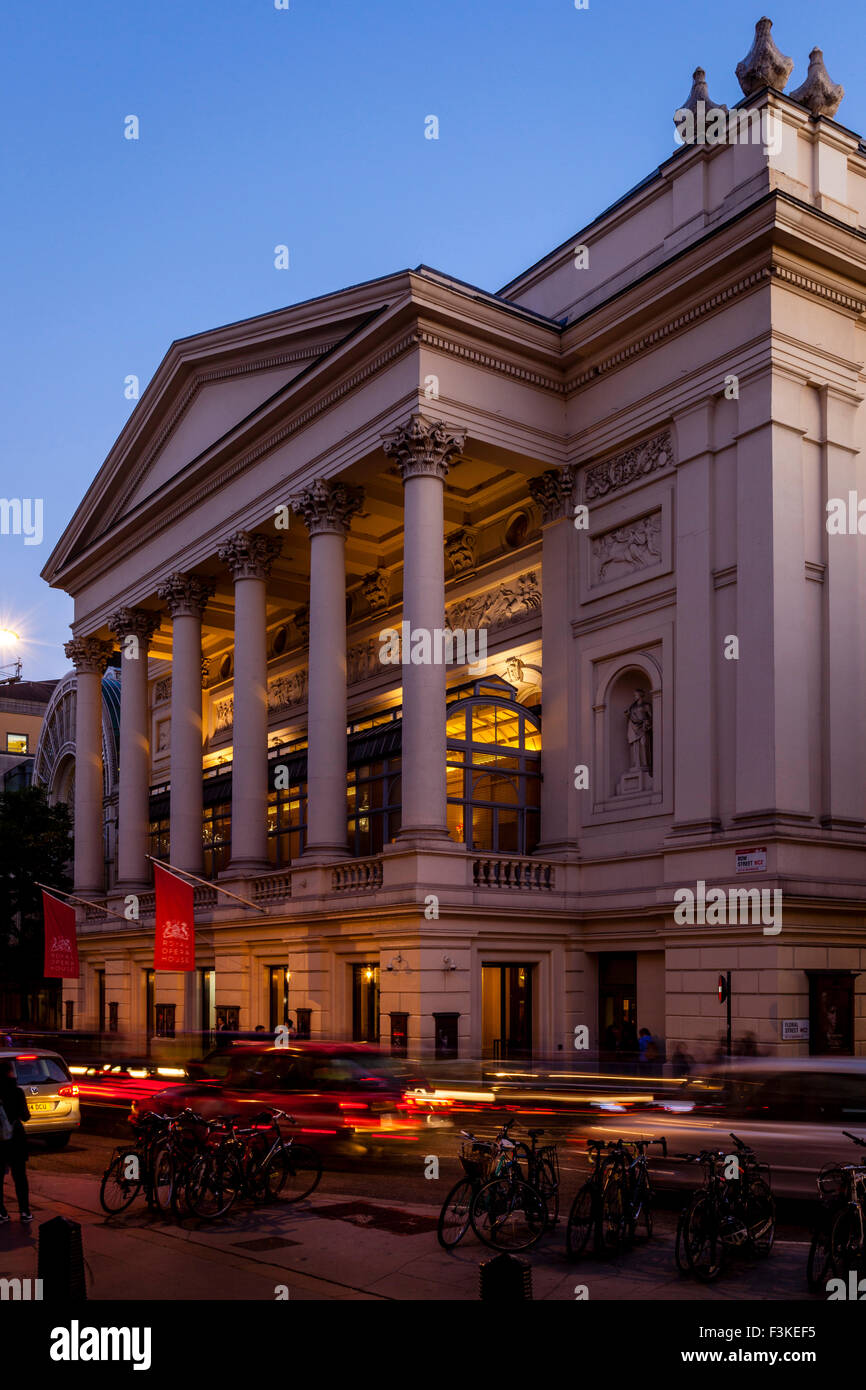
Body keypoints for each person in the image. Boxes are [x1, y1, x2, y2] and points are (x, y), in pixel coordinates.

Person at [0, 1058, 32, 1222]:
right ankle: (25, 1212)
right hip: (16, 1140)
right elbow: (26, 1116)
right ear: (10, 1073)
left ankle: (2, 1213)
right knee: (20, 1177)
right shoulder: (17, 1091)